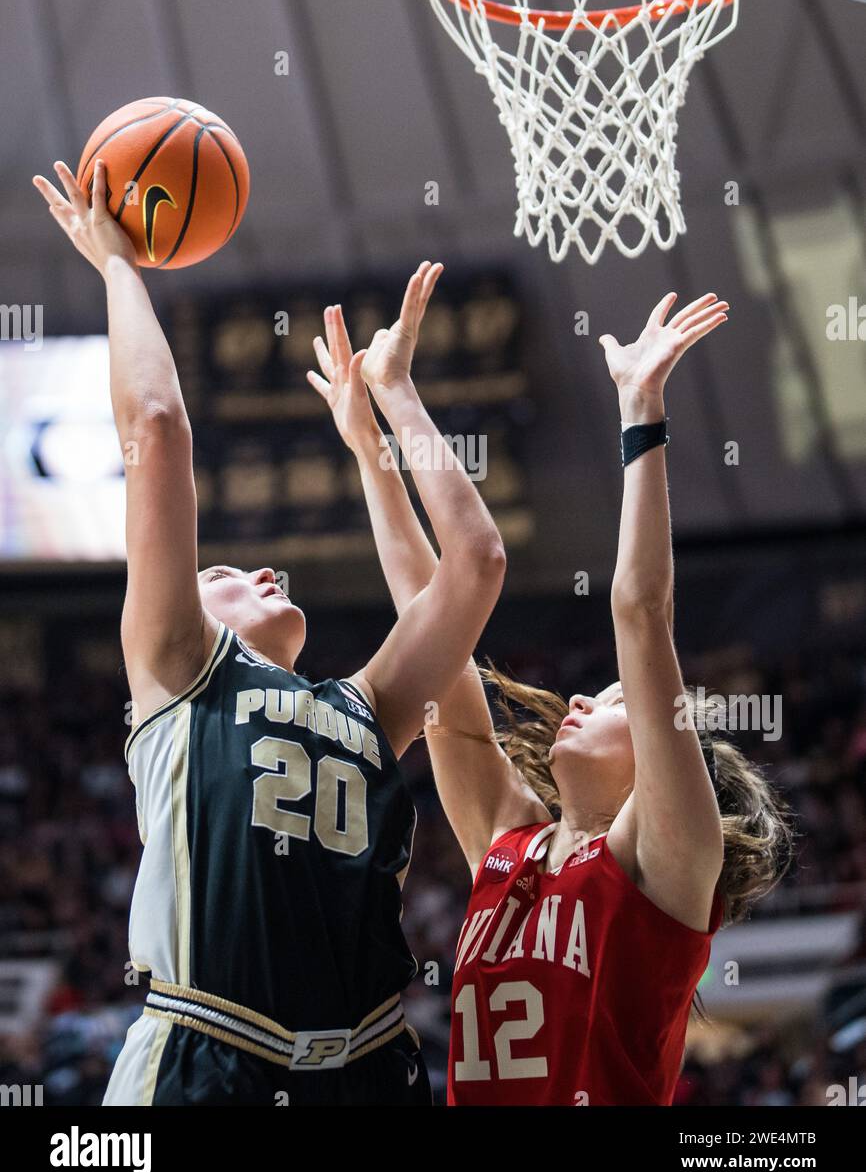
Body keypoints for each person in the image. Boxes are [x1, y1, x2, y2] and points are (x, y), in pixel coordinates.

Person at [33, 161, 506, 1106]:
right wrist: (118, 266)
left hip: (367, 1072)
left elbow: (477, 565)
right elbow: (159, 426)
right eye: (221, 576)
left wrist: (391, 409)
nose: (259, 572)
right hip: (209, 1063)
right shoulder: (178, 672)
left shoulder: (363, 706)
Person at [317, 282, 792, 1106]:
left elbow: (641, 615)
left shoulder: (666, 864)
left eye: (612, 705)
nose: (577, 704)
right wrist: (382, 426)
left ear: (659, 754)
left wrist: (641, 412)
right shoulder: (509, 844)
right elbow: (433, 634)